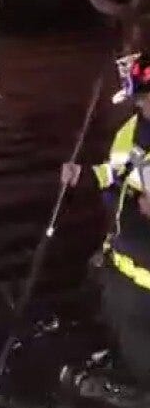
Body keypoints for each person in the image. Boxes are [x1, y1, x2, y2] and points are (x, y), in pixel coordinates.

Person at [62, 51, 150, 388]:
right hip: (126, 284)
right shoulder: (130, 132)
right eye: (140, 99)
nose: (142, 107)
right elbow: (115, 173)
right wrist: (83, 176)